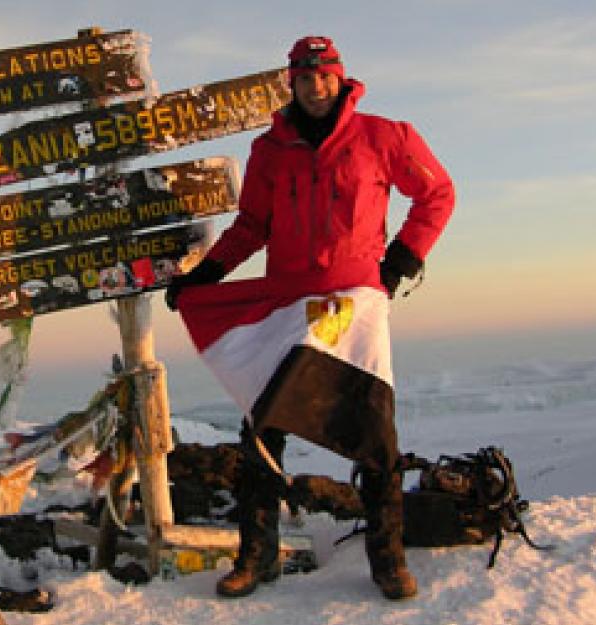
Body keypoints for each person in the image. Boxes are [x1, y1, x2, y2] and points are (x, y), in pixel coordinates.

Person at [166, 36, 454, 601]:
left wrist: (403, 257)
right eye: (304, 77)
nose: (315, 86)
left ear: (340, 78)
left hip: (354, 301)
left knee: (375, 428)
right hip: (286, 304)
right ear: (291, 82)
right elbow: (252, 225)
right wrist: (209, 274)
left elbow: (437, 193)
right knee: (263, 425)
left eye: (324, 75)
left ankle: (388, 559)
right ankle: (257, 555)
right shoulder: (270, 150)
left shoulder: (383, 135)